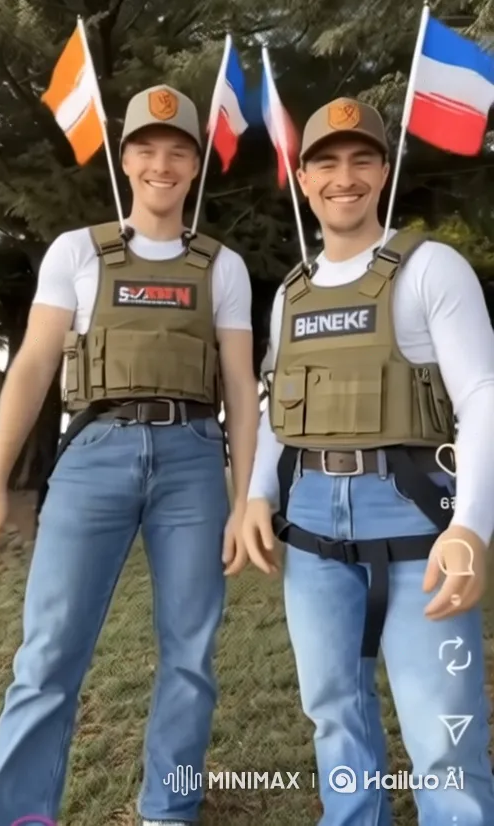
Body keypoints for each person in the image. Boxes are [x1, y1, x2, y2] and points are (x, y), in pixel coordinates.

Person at [0, 84, 259, 826]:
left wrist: (244, 498)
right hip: (94, 454)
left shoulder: (221, 266)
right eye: (147, 149)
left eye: (178, 152)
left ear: (195, 166)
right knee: (47, 655)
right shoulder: (78, 251)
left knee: (191, 656)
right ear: (126, 157)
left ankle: (168, 810)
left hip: (195, 459)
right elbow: (34, 366)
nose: (161, 164)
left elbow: (240, 384)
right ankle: (16, 814)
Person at [242, 97, 494, 825]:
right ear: (303, 176)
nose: (342, 177)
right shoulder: (289, 294)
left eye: (360, 160)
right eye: (326, 162)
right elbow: (274, 407)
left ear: (383, 170)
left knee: (445, 736)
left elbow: (481, 394)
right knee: (334, 720)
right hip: (313, 532)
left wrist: (472, 527)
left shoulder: (431, 268)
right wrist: (259, 493)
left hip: (419, 525)